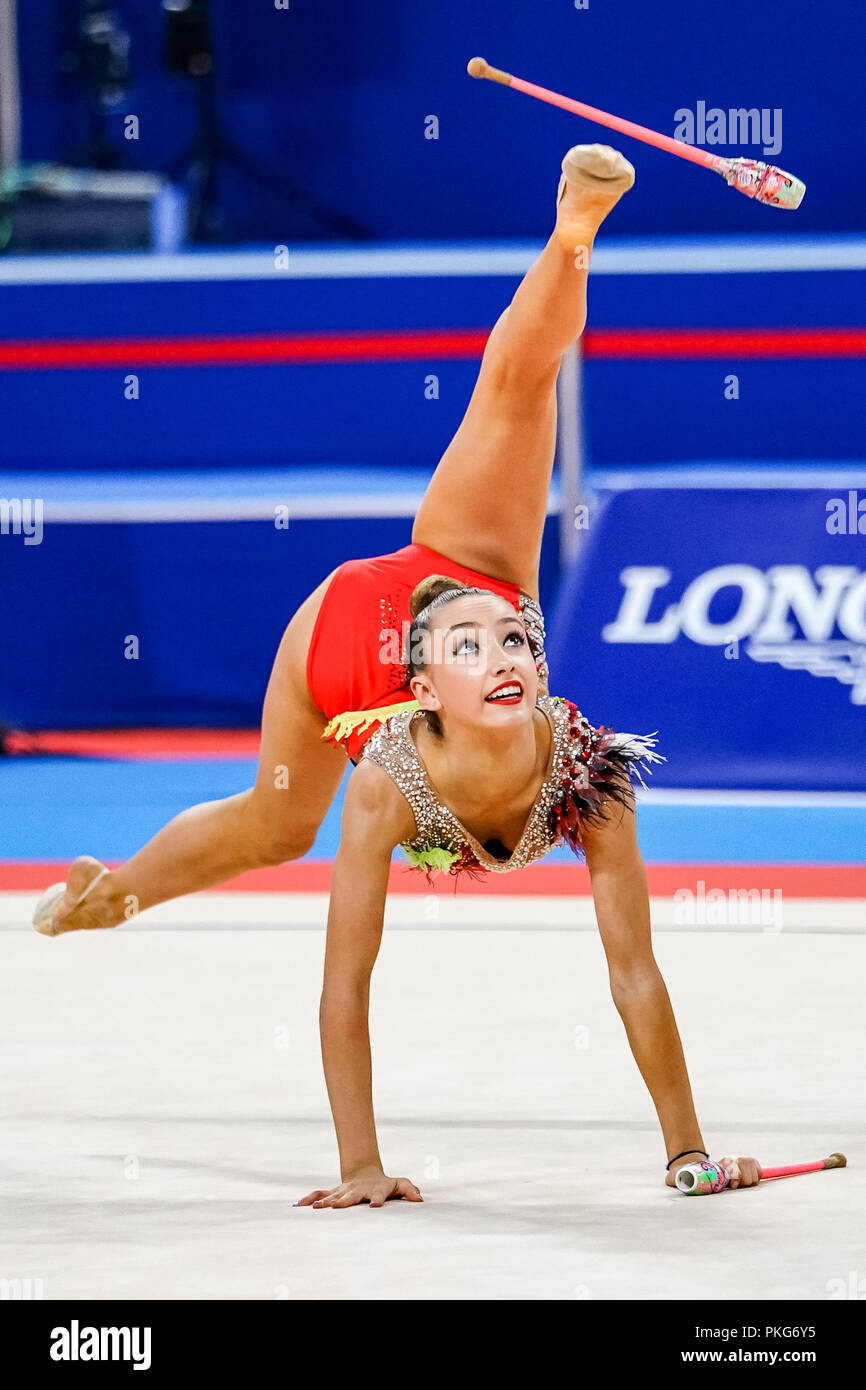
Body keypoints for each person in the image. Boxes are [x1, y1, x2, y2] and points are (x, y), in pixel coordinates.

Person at [32, 144, 762, 1205]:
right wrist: (359, 1166)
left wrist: (685, 1148)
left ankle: (569, 238)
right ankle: (572, 234)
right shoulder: (385, 781)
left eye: (520, 643)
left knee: (516, 396)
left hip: (455, 588)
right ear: (427, 693)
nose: (511, 652)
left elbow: (633, 971)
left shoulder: (584, 775)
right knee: (273, 822)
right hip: (339, 638)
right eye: (489, 648)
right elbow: (343, 985)